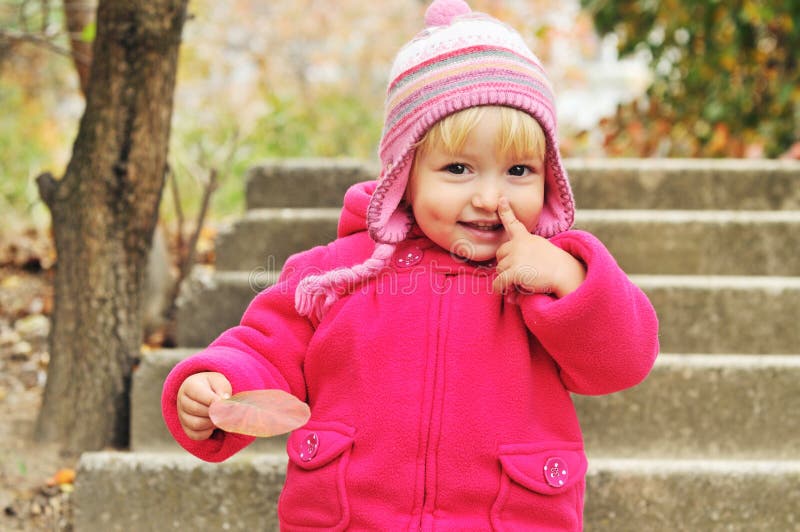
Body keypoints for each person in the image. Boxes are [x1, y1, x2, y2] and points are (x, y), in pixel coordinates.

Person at [161, 0, 659, 529]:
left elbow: (624, 360)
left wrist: (571, 280)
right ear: (405, 175)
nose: (490, 197)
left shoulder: (547, 277)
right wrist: (219, 382)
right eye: (458, 169)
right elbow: (266, 347)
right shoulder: (336, 273)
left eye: (518, 171)